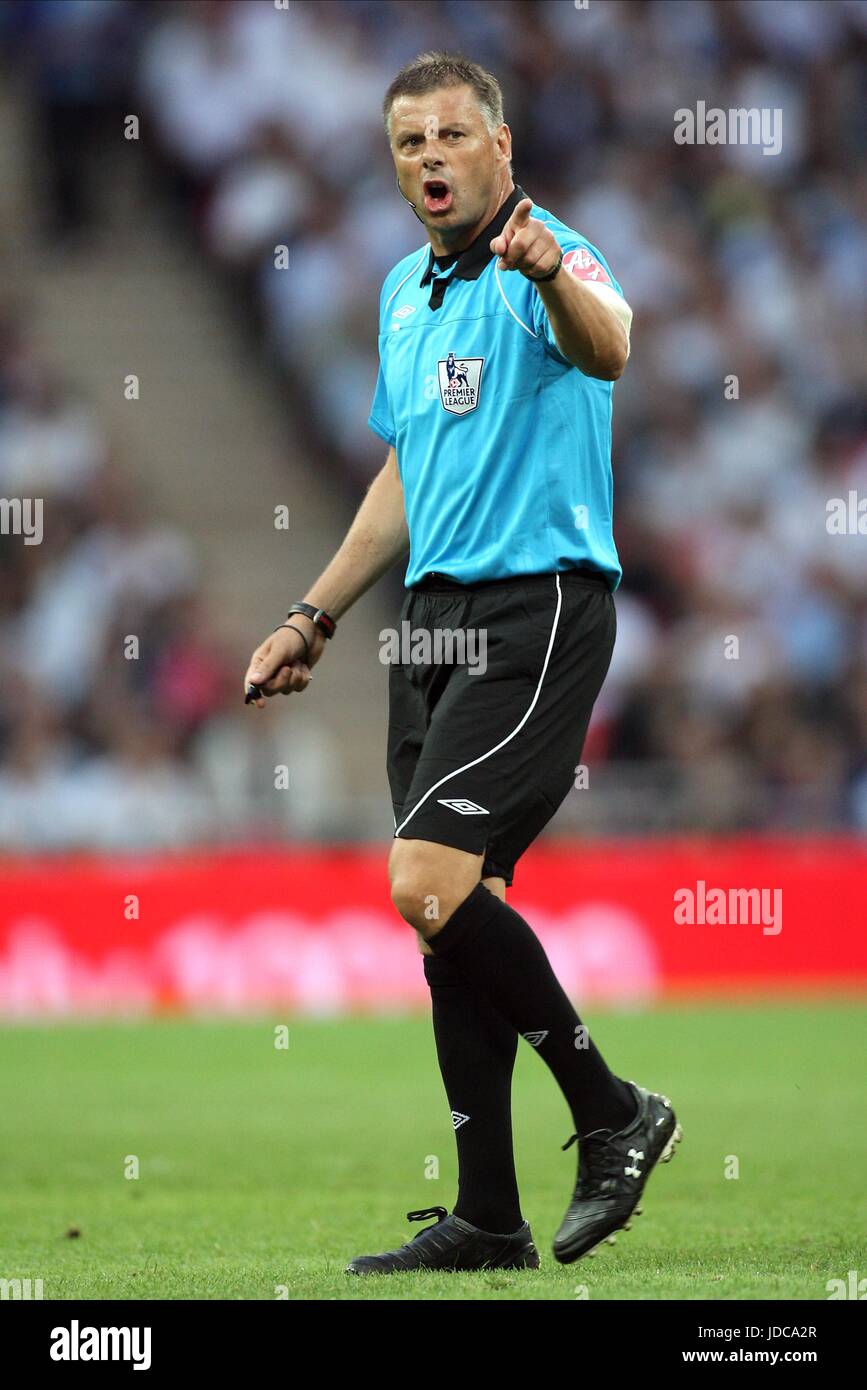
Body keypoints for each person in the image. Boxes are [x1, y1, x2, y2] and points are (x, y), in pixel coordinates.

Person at [243, 51, 681, 1275]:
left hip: (536, 610)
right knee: (453, 917)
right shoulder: (401, 292)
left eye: (448, 135)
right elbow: (402, 479)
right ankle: (488, 1214)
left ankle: (612, 1110)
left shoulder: (553, 256)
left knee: (425, 879)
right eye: (407, 143)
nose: (427, 158)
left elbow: (611, 346)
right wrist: (314, 615)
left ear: (498, 143)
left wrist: (549, 272)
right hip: (428, 628)